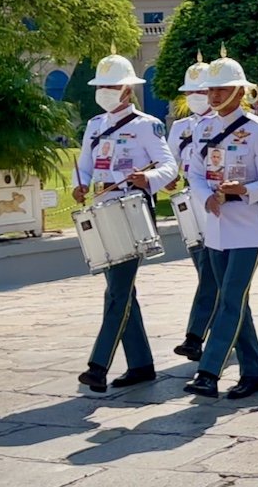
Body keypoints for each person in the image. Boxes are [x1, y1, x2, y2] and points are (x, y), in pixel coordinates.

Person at [73, 53, 179, 394]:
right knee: (122, 289)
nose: (105, 91)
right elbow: (86, 165)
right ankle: (141, 364)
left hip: (131, 210)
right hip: (103, 211)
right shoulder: (94, 125)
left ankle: (98, 365)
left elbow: (168, 166)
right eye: (101, 85)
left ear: (127, 89)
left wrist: (146, 178)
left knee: (117, 290)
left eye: (112, 85)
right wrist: (81, 183)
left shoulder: (145, 125)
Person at [184, 51, 258, 400]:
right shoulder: (204, 127)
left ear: (240, 92)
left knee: (230, 300)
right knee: (235, 302)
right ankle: (253, 373)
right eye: (211, 90)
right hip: (216, 227)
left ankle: (208, 372)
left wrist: (244, 190)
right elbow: (194, 173)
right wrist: (204, 197)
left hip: (247, 225)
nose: (214, 96)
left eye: (223, 90)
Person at [168, 55, 218, 363]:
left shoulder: (228, 126)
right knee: (207, 273)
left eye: (201, 92)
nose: (195, 98)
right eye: (191, 93)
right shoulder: (181, 128)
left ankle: (196, 336)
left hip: (220, 204)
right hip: (191, 206)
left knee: (213, 275)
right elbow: (170, 167)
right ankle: (215, 332)